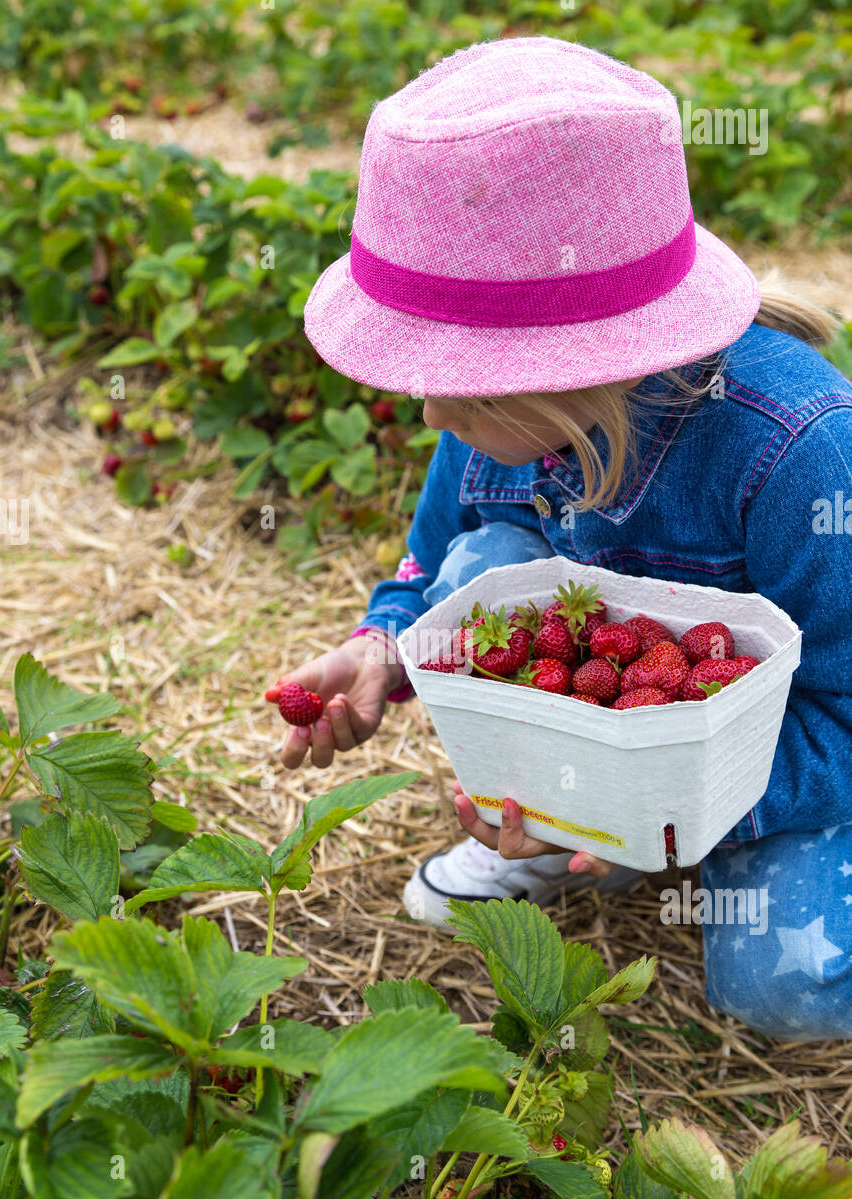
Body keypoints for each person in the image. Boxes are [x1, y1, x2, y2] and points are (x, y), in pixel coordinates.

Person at [278, 36, 852, 1039]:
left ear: (578, 369)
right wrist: (384, 648)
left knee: (782, 988)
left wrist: (677, 800)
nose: (429, 417)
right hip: (629, 730)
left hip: (781, 749)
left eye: (455, 385)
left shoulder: (795, 453)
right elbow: (431, 563)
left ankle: (648, 834)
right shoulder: (497, 425)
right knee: (484, 570)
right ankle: (556, 829)